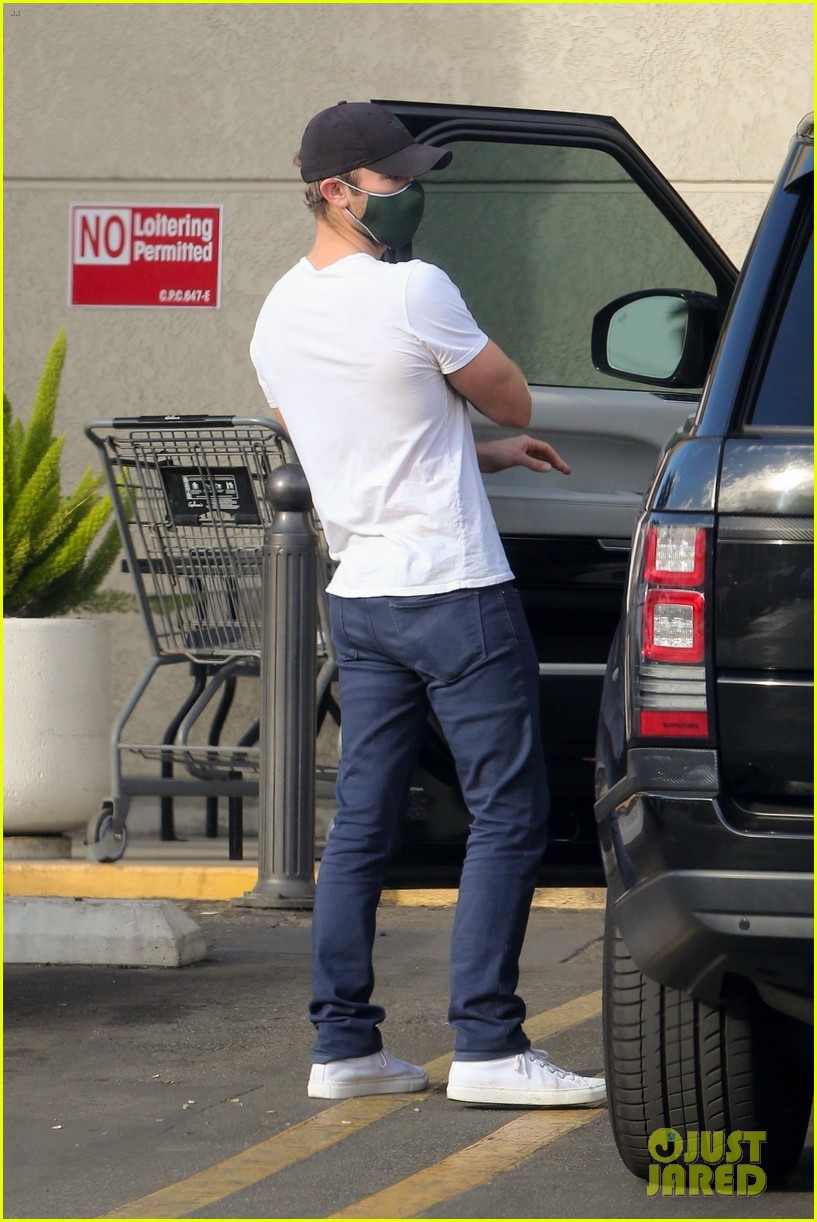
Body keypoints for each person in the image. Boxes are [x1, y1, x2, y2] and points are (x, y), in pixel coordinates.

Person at [250, 101, 606, 1108]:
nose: (413, 196)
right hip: (453, 591)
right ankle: (489, 1045)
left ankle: (344, 1046)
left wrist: (479, 455)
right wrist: (493, 428)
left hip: (360, 596)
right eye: (395, 181)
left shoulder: (275, 315)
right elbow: (513, 395)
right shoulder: (415, 291)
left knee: (360, 819)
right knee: (508, 810)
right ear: (335, 190)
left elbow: (353, 435)